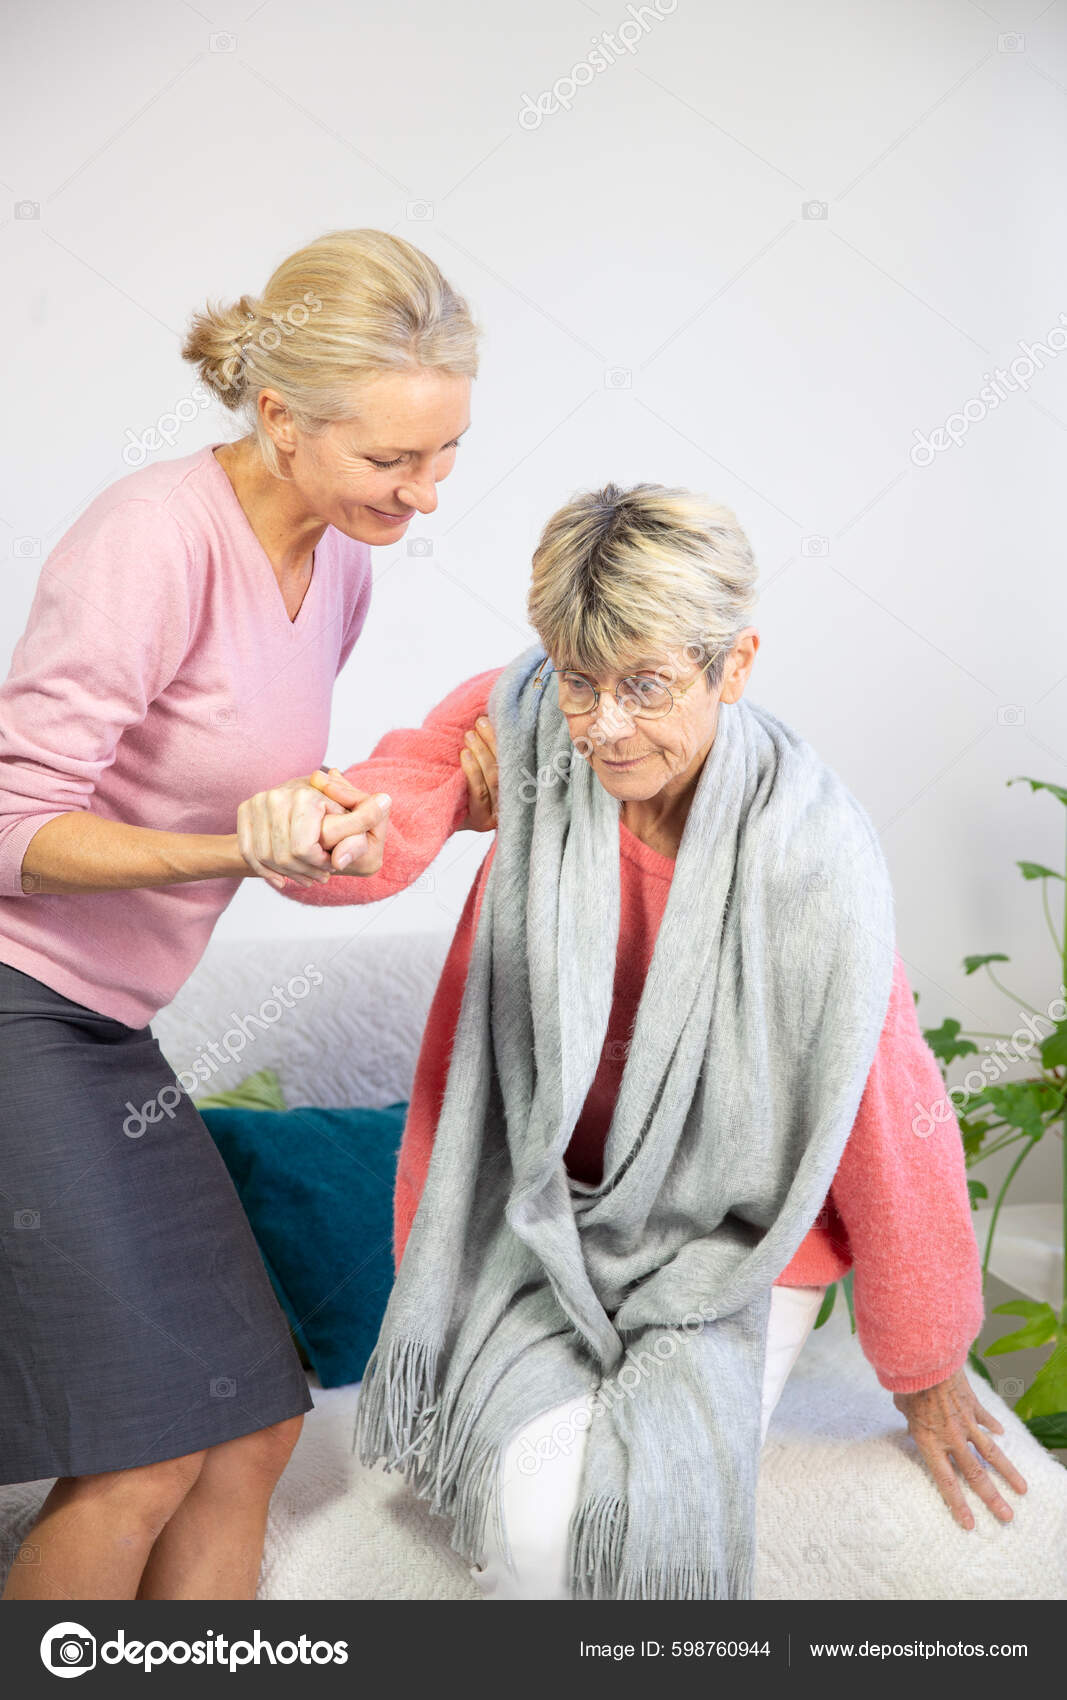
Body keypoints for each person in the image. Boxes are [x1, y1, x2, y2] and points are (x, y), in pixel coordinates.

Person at [265, 482, 1028, 1600]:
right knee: (528, 1517)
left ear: (734, 663)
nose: (604, 726)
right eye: (579, 680)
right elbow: (404, 791)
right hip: (540, 1212)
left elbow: (882, 1108)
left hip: (730, 1238)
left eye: (646, 685)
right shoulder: (530, 720)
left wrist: (921, 1356)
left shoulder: (810, 860)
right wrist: (336, 830)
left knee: (611, 1517)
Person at [0, 227, 485, 1601]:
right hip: (18, 1009)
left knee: (253, 1429)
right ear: (277, 416)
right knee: (141, 1460)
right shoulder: (154, 537)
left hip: (106, 1032)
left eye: (443, 451)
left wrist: (414, 805)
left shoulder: (339, 565)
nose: (425, 491)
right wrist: (224, 847)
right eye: (392, 459)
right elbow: (9, 824)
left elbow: (277, 819)